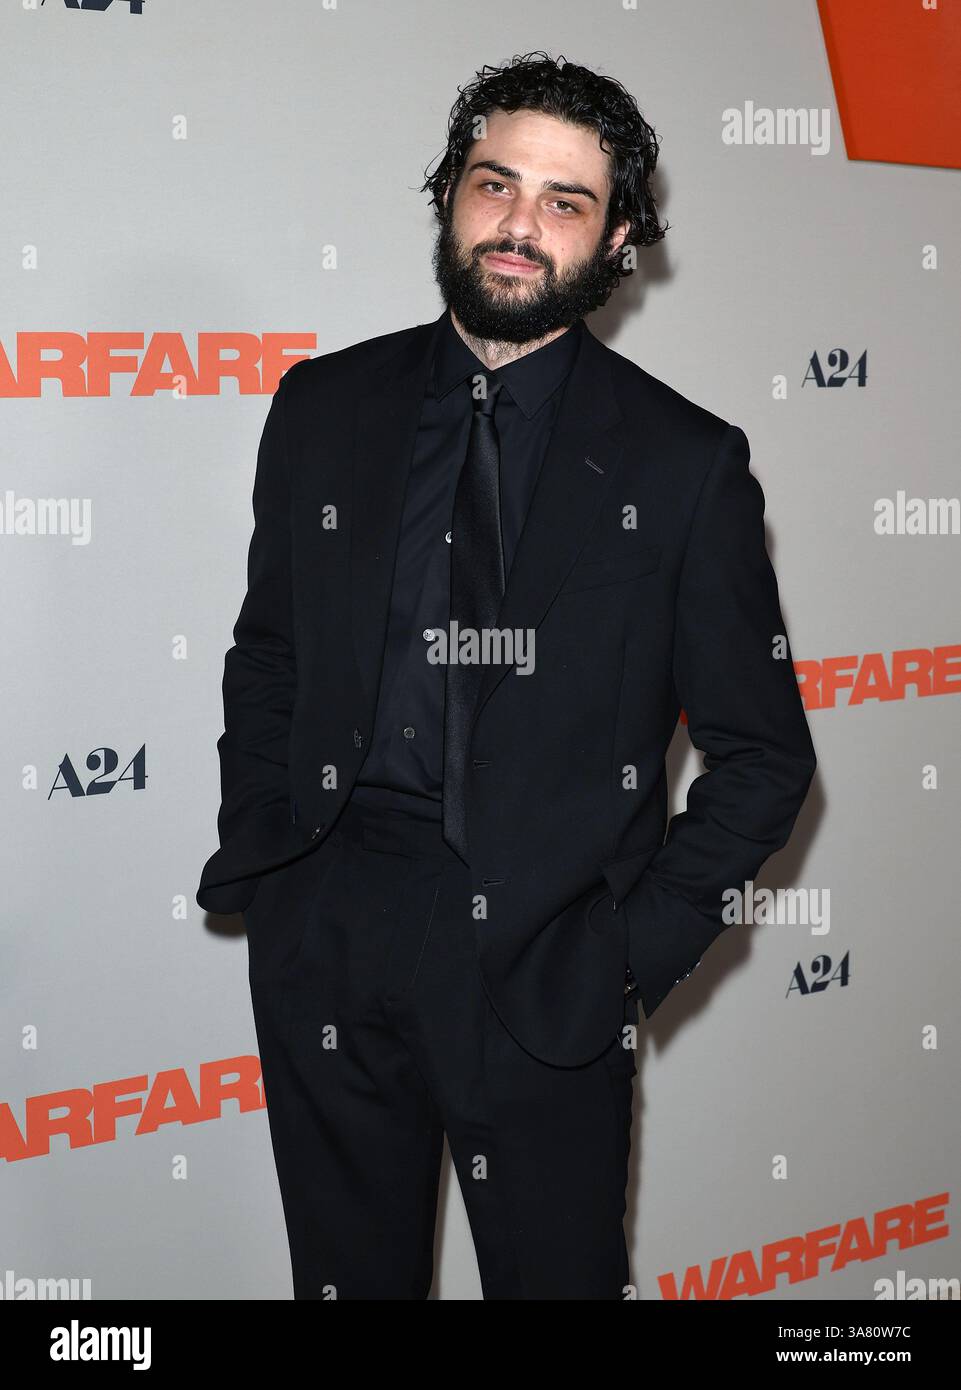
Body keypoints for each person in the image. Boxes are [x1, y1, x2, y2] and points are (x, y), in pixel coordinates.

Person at [197, 52, 817, 1300]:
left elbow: (763, 756)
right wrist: (275, 859)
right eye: (495, 184)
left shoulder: (683, 463)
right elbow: (268, 652)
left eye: (565, 200)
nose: (519, 225)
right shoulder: (322, 406)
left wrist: (627, 954)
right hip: (330, 921)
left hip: (545, 960)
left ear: (619, 236)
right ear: (449, 196)